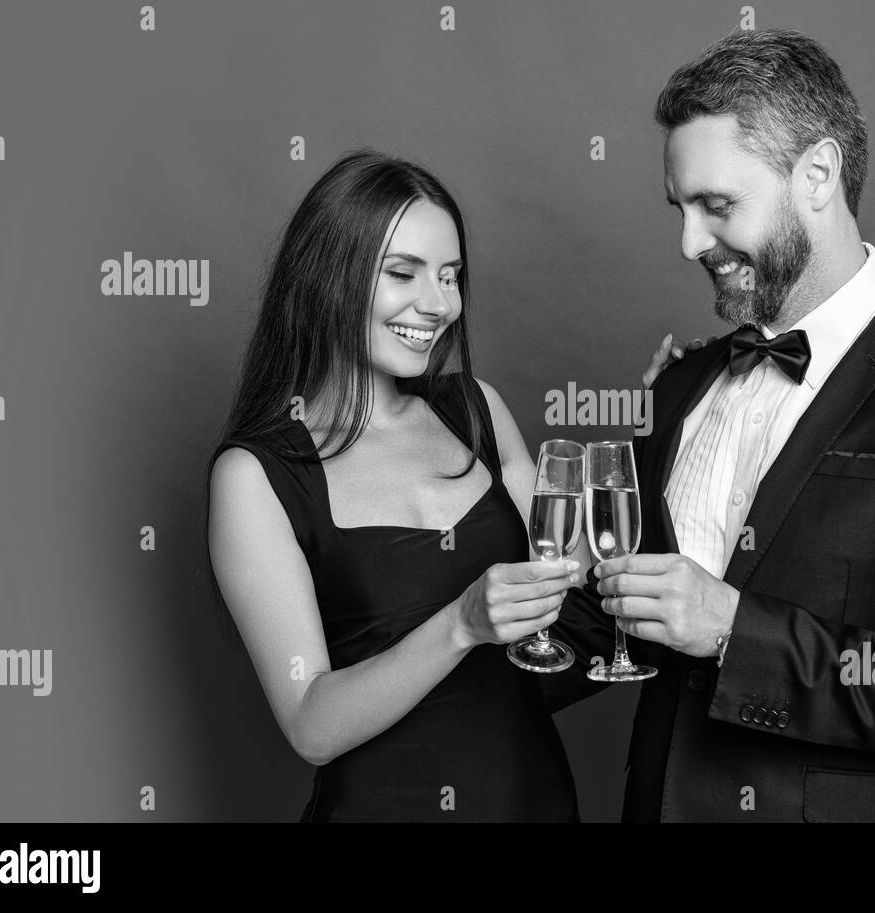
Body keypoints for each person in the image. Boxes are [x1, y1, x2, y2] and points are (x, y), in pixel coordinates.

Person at [547, 28, 875, 822]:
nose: (689, 243)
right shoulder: (684, 382)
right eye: (680, 209)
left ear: (818, 174)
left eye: (717, 205)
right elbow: (615, 618)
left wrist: (735, 631)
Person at [205, 150, 590, 822]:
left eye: (450, 276)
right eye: (403, 273)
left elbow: (579, 574)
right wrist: (462, 624)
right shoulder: (256, 475)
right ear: (329, 276)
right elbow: (310, 724)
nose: (438, 304)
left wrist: (674, 411)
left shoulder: (476, 409)